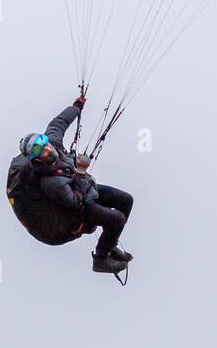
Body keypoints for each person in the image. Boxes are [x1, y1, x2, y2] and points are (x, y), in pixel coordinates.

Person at [8, 94, 135, 275]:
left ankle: (109, 245)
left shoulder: (54, 144)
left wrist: (76, 106)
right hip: (75, 210)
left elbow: (58, 124)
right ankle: (100, 260)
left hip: (82, 191)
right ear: (34, 159)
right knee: (117, 220)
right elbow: (77, 202)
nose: (45, 148)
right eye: (39, 150)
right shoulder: (50, 182)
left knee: (125, 200)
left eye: (42, 143)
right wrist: (81, 172)